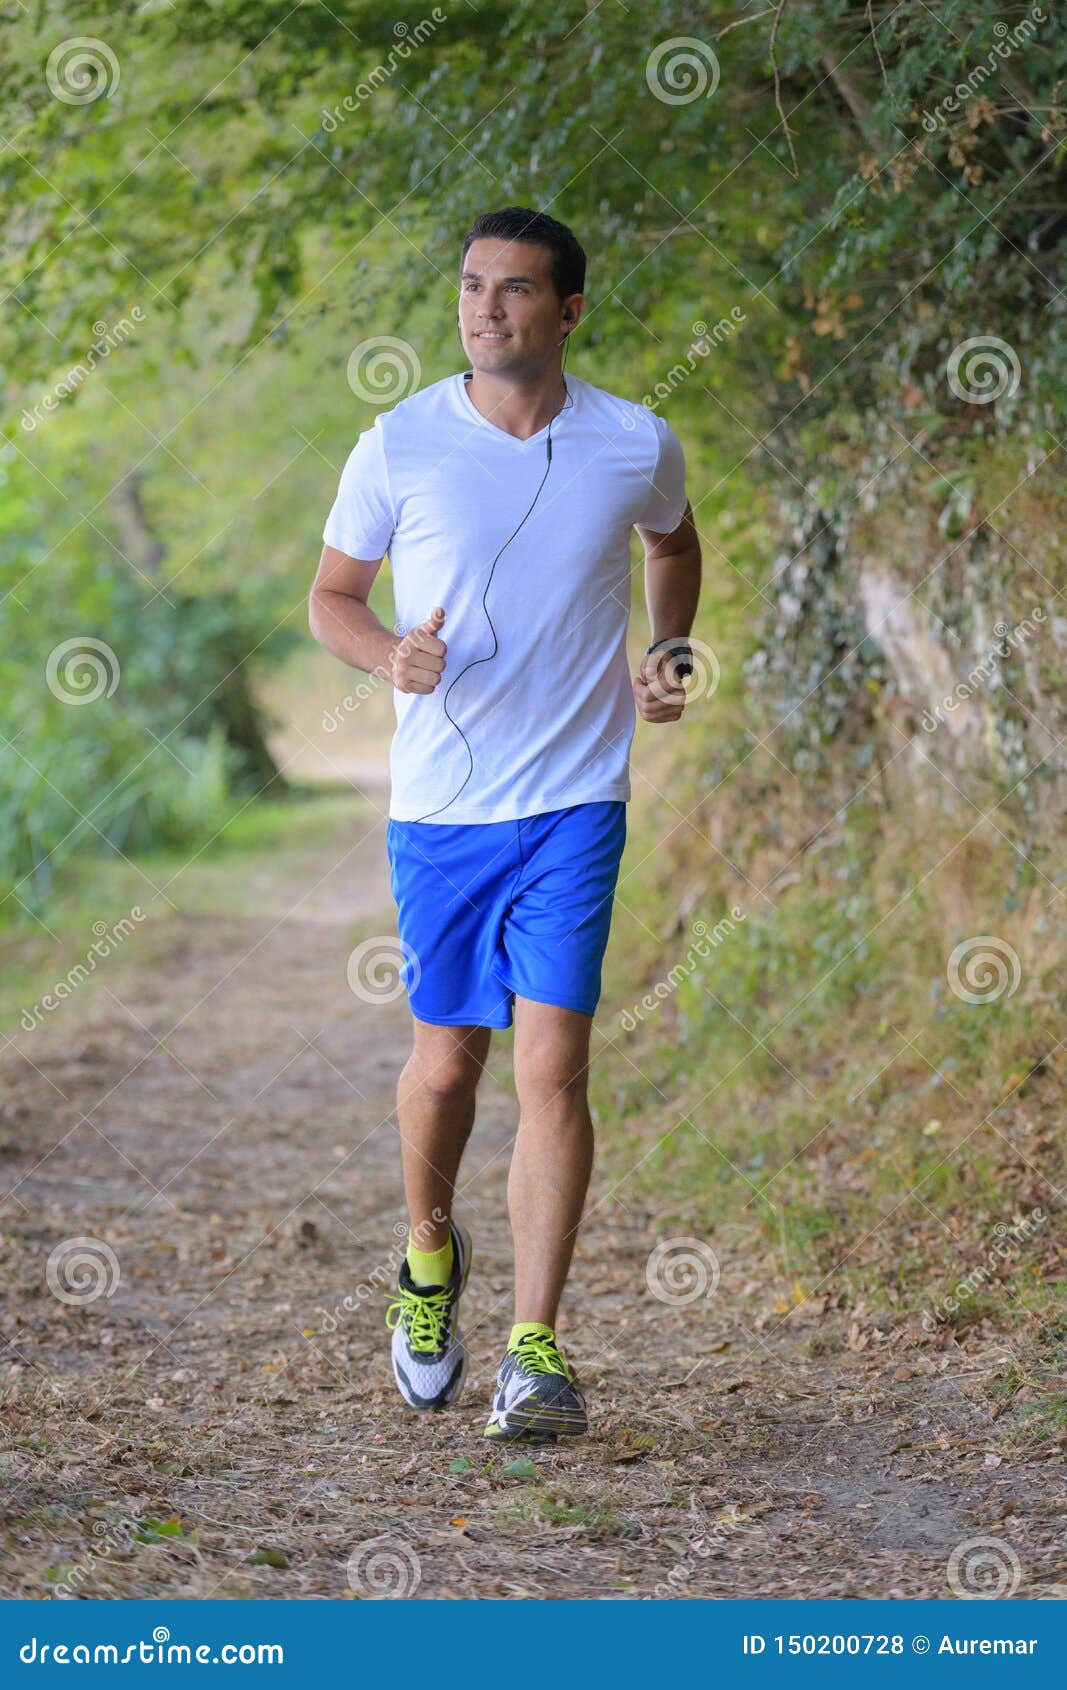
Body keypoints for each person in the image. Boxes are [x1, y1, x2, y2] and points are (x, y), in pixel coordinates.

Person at [309, 205, 701, 1442]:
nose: (486, 309)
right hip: (443, 811)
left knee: (551, 1066)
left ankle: (536, 1349)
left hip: (577, 797)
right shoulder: (400, 441)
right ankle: (430, 1259)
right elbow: (330, 598)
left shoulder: (632, 441)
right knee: (446, 1065)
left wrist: (668, 648)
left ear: (568, 311)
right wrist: (388, 660)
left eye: (515, 290)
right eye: (473, 287)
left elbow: (674, 543)